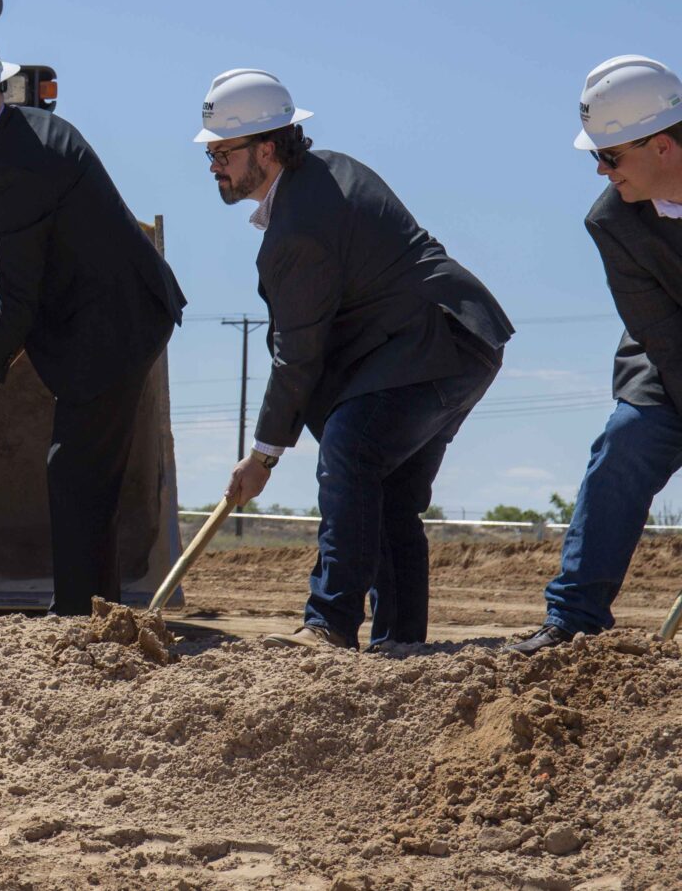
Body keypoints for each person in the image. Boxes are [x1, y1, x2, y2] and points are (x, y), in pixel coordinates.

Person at [201, 69, 512, 650]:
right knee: (388, 493)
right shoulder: (325, 173)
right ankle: (400, 645)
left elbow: (298, 353)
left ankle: (329, 623)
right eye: (210, 154)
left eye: (223, 152)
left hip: (432, 347)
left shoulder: (298, 227)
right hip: (456, 340)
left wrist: (263, 456)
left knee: (350, 449)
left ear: (266, 149)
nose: (214, 165)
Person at [0, 29, 186, 615]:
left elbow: (17, 302)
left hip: (116, 324)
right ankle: (93, 612)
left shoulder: (21, 164)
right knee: (83, 475)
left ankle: (80, 618)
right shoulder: (21, 138)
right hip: (110, 318)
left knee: (76, 473)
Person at [509, 56, 682, 654]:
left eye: (610, 157)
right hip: (668, 361)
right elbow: (660, 332)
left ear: (662, 146)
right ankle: (574, 617)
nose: (602, 172)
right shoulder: (612, 220)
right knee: (624, 443)